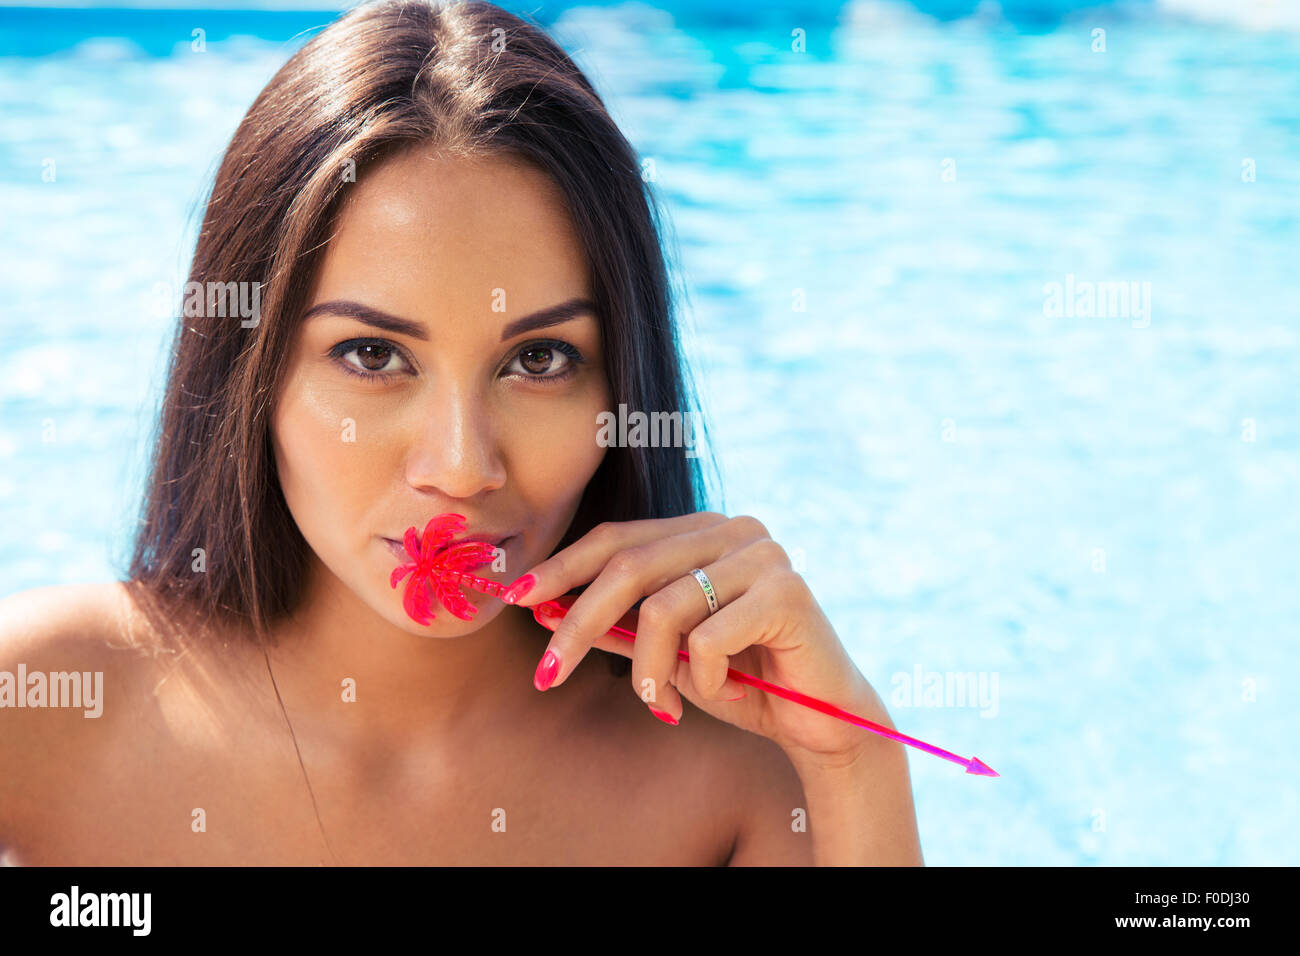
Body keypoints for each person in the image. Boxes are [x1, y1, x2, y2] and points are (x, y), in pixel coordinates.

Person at [0, 0, 921, 865]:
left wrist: (857, 764)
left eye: (540, 361)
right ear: (252, 373)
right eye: (370, 355)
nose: (462, 467)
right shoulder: (32, 707)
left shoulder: (752, 777)